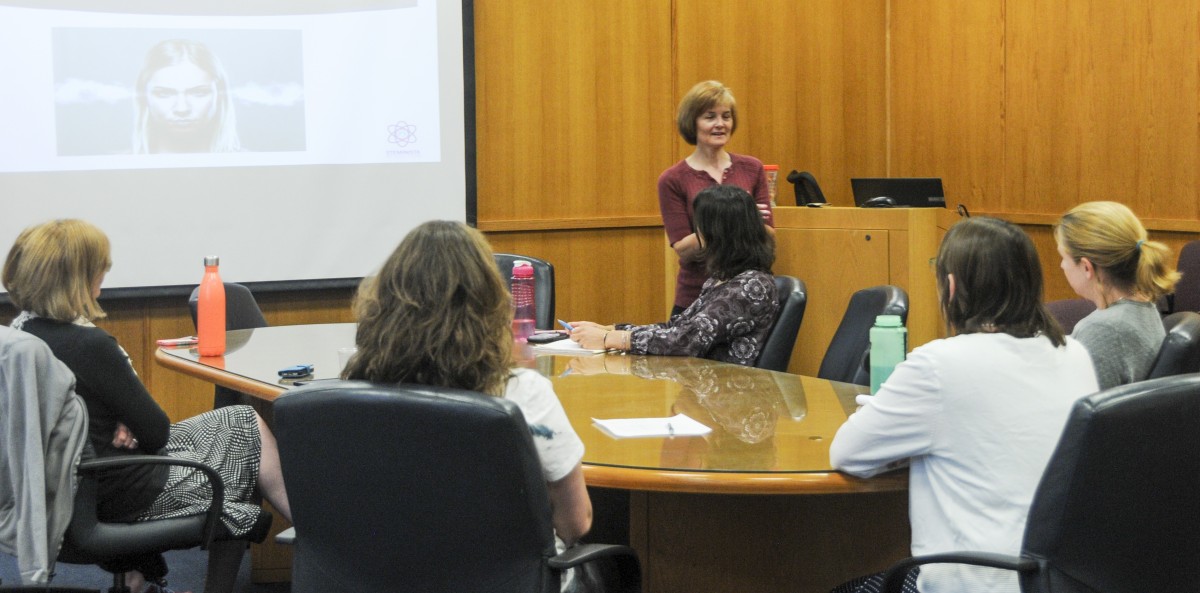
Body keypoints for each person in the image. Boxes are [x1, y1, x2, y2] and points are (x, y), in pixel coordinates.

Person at [2, 219, 290, 593]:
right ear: (79, 278)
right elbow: (157, 432)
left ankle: (138, 575)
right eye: (99, 269)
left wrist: (119, 417)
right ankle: (324, 545)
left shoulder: (22, 333)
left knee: (239, 421)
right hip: (123, 491)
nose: (103, 276)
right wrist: (130, 422)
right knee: (247, 440)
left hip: (63, 485)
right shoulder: (91, 346)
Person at [828, 217, 1099, 593]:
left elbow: (847, 453)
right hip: (1060, 579)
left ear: (951, 286)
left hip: (980, 579)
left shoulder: (938, 364)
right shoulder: (1076, 353)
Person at [341, 220, 592, 589]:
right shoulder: (522, 394)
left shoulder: (356, 391)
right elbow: (576, 523)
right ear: (489, 303)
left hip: (386, 575)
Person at [568, 184, 778, 366]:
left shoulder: (751, 286)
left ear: (717, 233)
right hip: (700, 384)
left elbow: (685, 340)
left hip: (727, 396)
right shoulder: (724, 278)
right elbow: (677, 327)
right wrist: (611, 329)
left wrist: (610, 339)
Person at [659, 80, 774, 314]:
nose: (720, 124)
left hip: (747, 296)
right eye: (710, 117)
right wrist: (738, 219)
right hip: (695, 298)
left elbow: (769, 236)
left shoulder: (752, 168)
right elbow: (684, 249)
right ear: (693, 122)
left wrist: (712, 229)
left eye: (726, 116)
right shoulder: (673, 179)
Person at [1055, 201, 1179, 390]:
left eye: (1063, 257)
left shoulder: (1103, 330)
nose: (1061, 266)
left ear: (1087, 267)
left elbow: (1078, 411)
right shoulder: (1144, 305)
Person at [133, 39, 241, 154]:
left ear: (219, 96)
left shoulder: (249, 164)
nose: (182, 109)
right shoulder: (119, 163)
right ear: (144, 98)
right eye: (164, 94)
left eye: (199, 93)